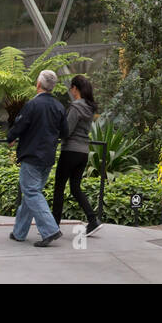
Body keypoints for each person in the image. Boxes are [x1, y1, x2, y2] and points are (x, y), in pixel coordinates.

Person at [7, 69, 66, 247]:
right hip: (48, 157)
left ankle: (50, 230)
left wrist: (10, 138)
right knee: (30, 194)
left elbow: (20, 125)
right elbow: (65, 132)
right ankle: (19, 232)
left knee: (31, 192)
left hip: (32, 156)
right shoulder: (59, 107)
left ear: (38, 84)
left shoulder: (33, 105)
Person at [52, 75, 102, 237]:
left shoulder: (76, 107)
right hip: (83, 152)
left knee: (59, 188)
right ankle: (92, 220)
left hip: (70, 151)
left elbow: (67, 131)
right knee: (75, 188)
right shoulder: (89, 107)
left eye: (71, 89)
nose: (71, 92)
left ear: (75, 88)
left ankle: (53, 227)